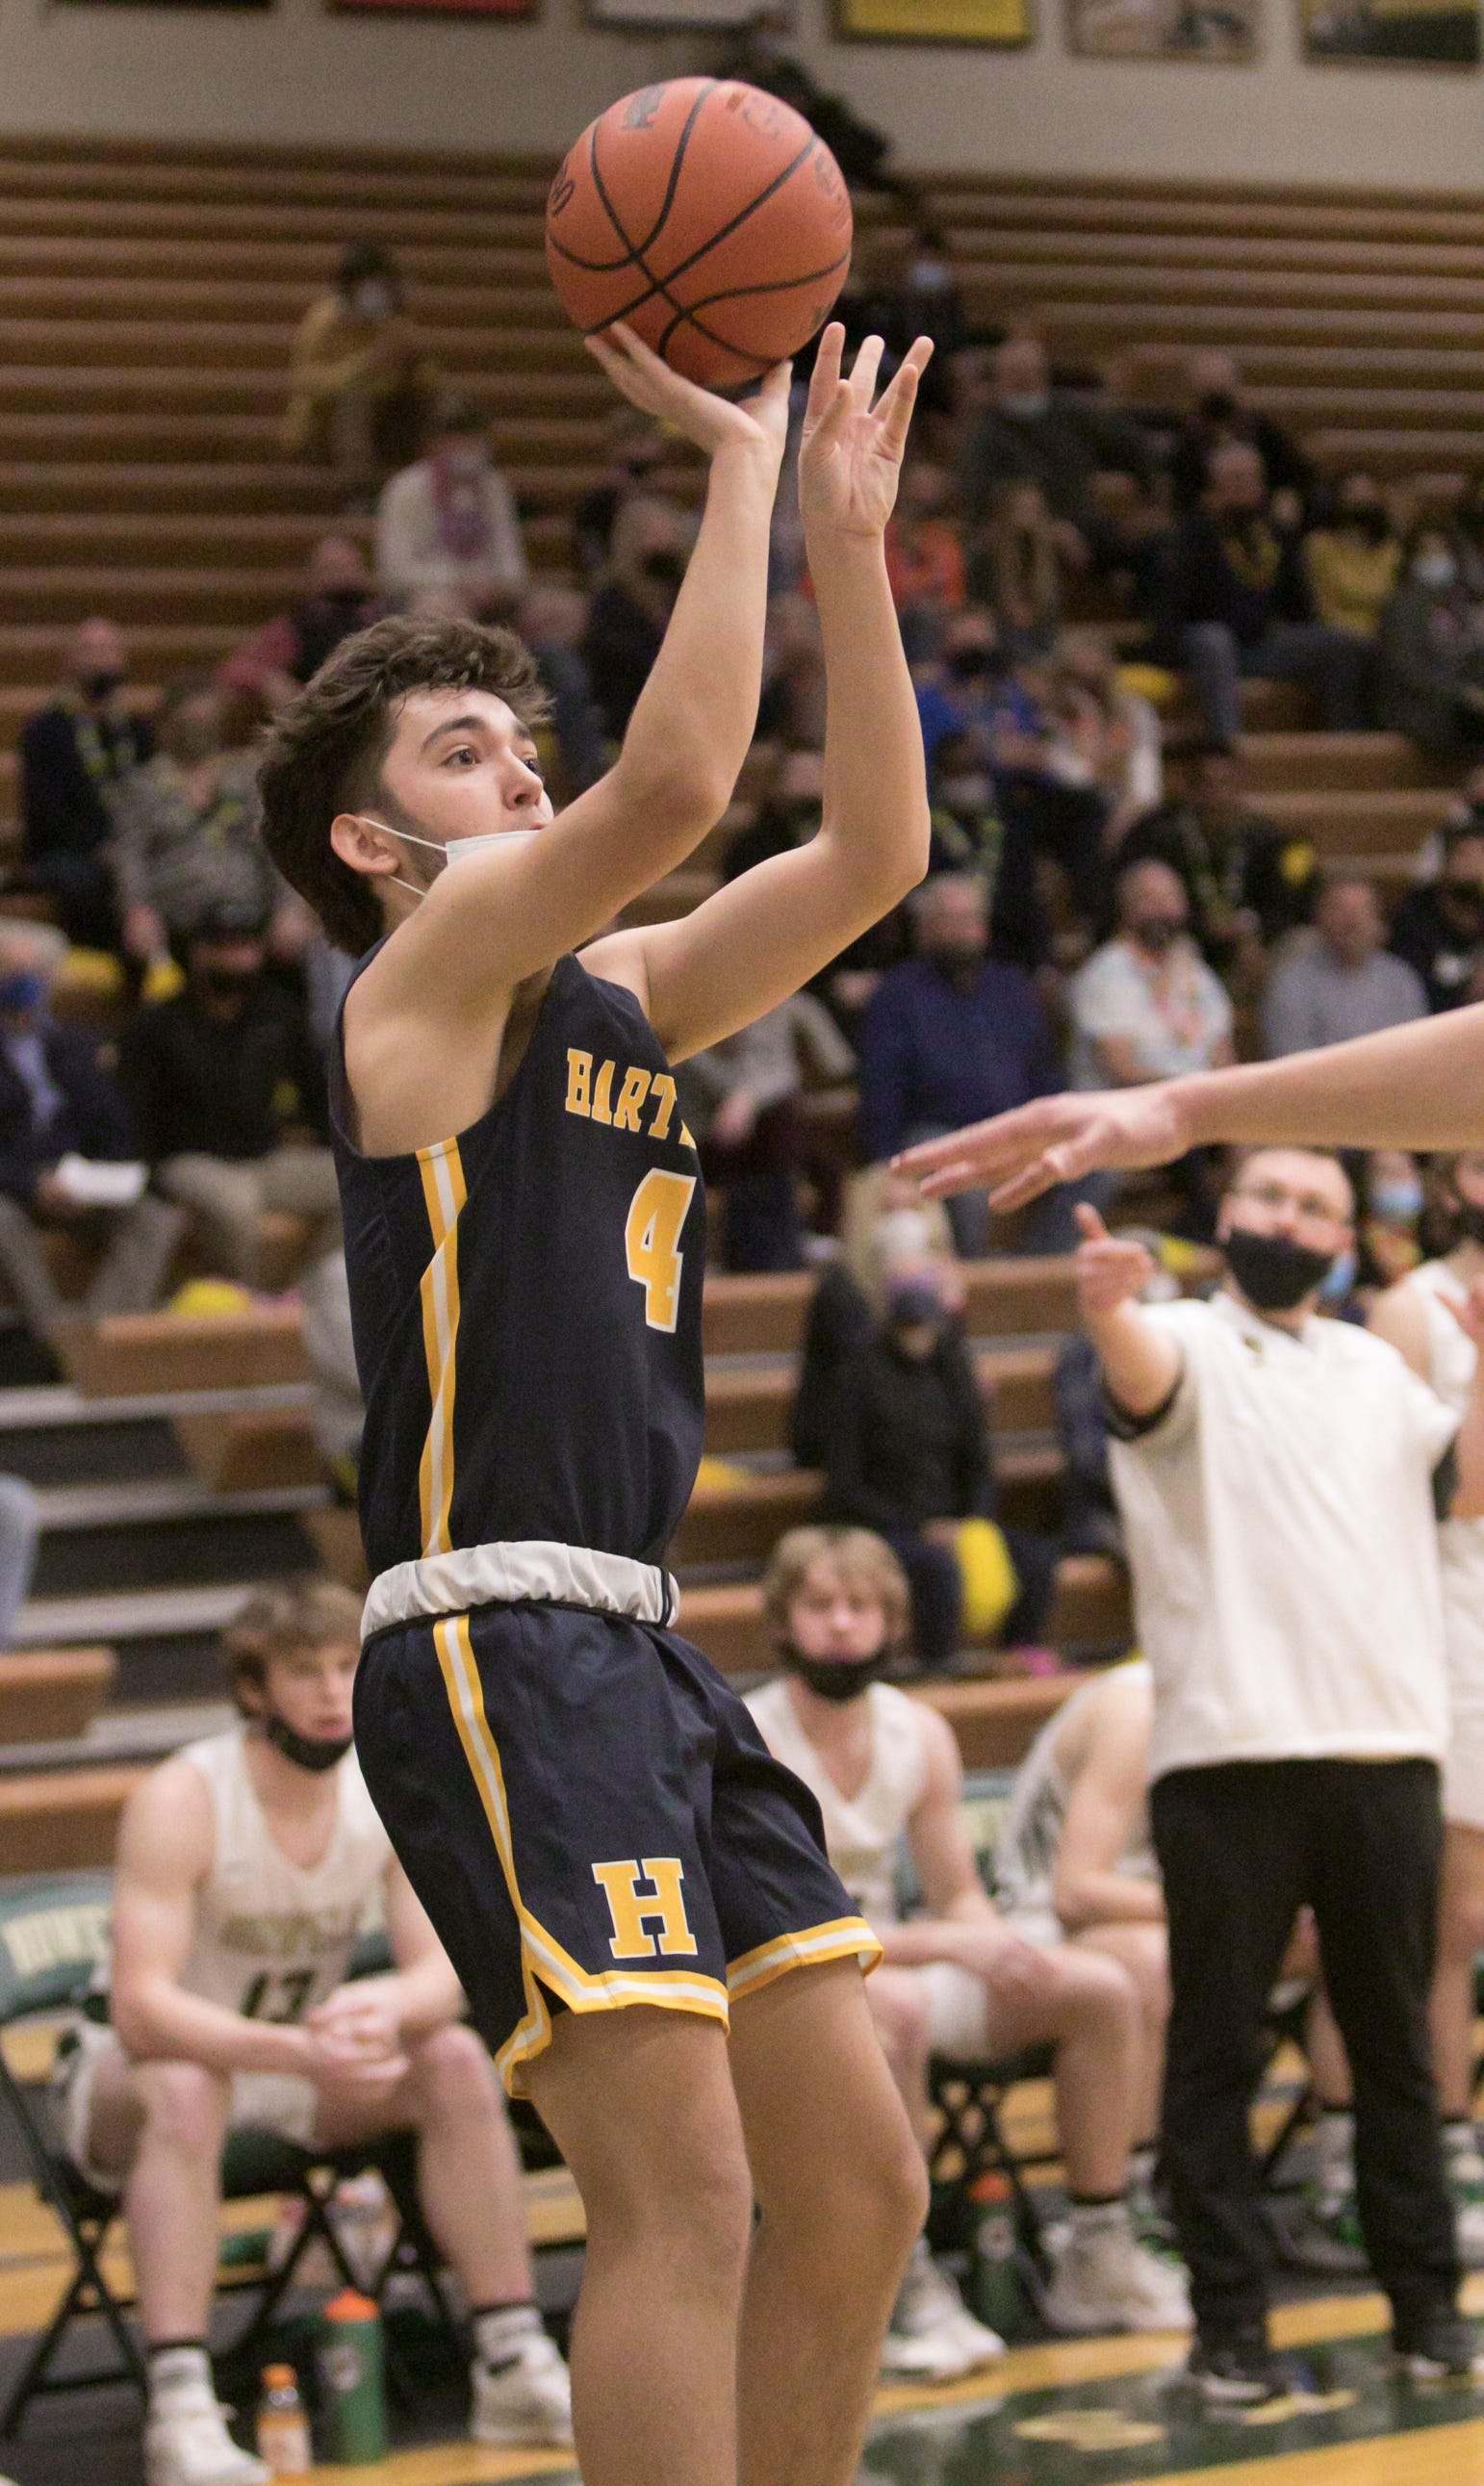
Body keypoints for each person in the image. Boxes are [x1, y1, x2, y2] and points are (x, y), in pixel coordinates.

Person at [258, 319, 938, 2486]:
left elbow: (873, 858)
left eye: (519, 740)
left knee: (860, 2182)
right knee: (687, 2197)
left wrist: (847, 550)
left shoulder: (620, 988)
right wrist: (741, 463)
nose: (524, 773)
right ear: (374, 843)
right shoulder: (419, 984)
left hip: (636, 1637)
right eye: (466, 753)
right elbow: (675, 789)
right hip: (489, 1629)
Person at [1065, 1159, 1484, 2396]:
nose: (1287, 1222)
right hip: (1229, 1754)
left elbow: (1466, 1492)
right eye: (1267, 1198)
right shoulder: (1182, 1336)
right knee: (1217, 2052)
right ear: (1226, 1215)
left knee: (1396, 2052)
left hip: (1386, 1750)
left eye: (1315, 1207)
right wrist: (1105, 1306)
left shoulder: (1377, 1368)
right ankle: (1231, 2327)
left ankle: (1428, 2311)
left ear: (1349, 1240)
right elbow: (1139, 1377)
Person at [54, 1580, 571, 2486]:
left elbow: (440, 1973)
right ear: (253, 1688)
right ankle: (180, 2406)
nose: (335, 1692)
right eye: (306, 1671)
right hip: (132, 2076)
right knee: (188, 2084)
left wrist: (385, 2008)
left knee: (452, 2057)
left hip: (294, 2059)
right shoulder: (184, 1795)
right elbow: (141, 2009)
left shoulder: (384, 1785)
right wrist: (297, 2049)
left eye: (346, 1667)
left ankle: (510, 2357)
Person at [747, 1527, 1190, 2354]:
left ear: (894, 1620)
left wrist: (997, 1943)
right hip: (792, 1977)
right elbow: (776, 1926)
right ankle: (897, 2273)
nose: (841, 1623)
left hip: (897, 1958)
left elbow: (956, 1894)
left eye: (861, 1605)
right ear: (781, 1620)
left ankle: (1096, 2247)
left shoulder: (919, 1730)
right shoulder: (750, 1736)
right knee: (898, 2008)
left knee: (1099, 1988)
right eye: (820, 1604)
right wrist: (951, 1942)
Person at [1370, 1147, 1484, 2268]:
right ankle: (1447, 2149)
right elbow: (1451, 1496)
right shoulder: (1412, 1310)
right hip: (1456, 1631)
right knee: (1454, 1921)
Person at [820, 1272, 1052, 1669]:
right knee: (936, 1569)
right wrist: (918, 1525)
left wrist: (972, 1519)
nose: (918, 1339)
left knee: (1036, 1558)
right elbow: (844, 1484)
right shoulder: (860, 1376)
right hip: (886, 1524)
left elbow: (979, 1464)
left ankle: (1017, 1656)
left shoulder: (953, 1373)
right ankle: (938, 1669)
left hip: (955, 1522)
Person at [117, 905, 341, 1288]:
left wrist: (328, 1138)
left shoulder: (278, 1015)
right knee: (236, 1207)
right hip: (191, 1160)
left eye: (243, 947)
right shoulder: (157, 1024)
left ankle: (306, 1295)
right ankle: (243, 1307)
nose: (234, 959)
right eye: (222, 947)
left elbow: (318, 1092)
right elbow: (135, 1112)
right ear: (198, 952)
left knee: (353, 1182)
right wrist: (150, 1176)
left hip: (263, 1159)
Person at [857, 874, 1074, 1256]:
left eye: (970, 919)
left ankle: (1041, 1264)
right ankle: (972, 1274)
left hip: (1017, 1127)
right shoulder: (897, 995)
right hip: (941, 1131)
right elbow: (881, 1086)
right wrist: (887, 1161)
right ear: (924, 928)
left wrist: (1061, 1123)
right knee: (966, 1182)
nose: (962, 931)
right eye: (950, 920)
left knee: (1093, 1166)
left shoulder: (1011, 987)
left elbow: (1043, 1067)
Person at [0, 921, 184, 1342]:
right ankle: (54, 1333)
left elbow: (114, 1126)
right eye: (11, 972)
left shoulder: (79, 1047)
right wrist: (32, 1183)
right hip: (15, 1184)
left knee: (156, 1218)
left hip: (79, 1179)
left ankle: (100, 1332)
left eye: (33, 972)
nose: (24, 982)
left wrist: (94, 1178)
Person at [1158, 442, 1369, 747]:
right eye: (1236, 480)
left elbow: (1299, 605)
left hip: (1258, 646)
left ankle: (1349, 746)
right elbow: (1171, 610)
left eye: (1252, 479)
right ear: (1214, 487)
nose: (1246, 488)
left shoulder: (1274, 535)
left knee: (1344, 646)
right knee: (1214, 640)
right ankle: (1227, 747)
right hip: (1201, 646)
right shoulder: (1191, 535)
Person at [1068, 860, 1234, 1235]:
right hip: (1120, 1112)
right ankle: (1208, 1231)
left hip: (1197, 1112)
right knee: (1187, 1137)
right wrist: (1189, 1095)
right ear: (1126, 909)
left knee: (1256, 1124)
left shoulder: (1197, 975)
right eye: (1148, 900)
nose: (1162, 910)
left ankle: (1225, 1231)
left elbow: (1224, 1059)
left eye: (1170, 899)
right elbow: (1120, 1067)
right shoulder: (1106, 974)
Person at [790, 1162, 961, 1470]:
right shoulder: (840, 1289)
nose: (903, 1224)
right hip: (851, 1446)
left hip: (922, 1447)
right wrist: (900, 1299)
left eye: (912, 1209)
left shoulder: (941, 1289)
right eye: (889, 1211)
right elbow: (861, 1382)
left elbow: (952, 1389)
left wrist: (945, 1310)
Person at [107, 680, 289, 968]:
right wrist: (136, 910)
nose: (196, 732)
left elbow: (276, 845)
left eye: (204, 722)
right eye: (188, 723)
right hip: (178, 917)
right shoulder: (142, 786)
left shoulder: (248, 776)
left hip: (251, 908)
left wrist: (290, 907)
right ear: (166, 725)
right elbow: (129, 856)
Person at [680, 991, 853, 1271]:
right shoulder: (683, 1038)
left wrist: (747, 1099)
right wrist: (732, 1111)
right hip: (706, 1143)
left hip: (767, 1151)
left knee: (786, 1129)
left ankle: (803, 1245)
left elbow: (786, 1075)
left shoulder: (769, 1011)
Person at [1115, 739, 1318, 967]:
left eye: (1225, 782)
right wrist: (1202, 925)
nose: (1216, 794)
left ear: (1240, 784)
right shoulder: (1155, 834)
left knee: (1302, 943)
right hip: (1182, 938)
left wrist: (1252, 928)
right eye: (1204, 783)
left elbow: (1292, 903)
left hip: (1255, 944)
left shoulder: (1268, 838)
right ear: (1188, 786)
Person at [958, 335, 1156, 560]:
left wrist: (1146, 501)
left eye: (1031, 373)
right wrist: (1047, 527)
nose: (1025, 381)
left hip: (1081, 520)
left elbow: (1130, 444)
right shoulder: (985, 432)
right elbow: (979, 495)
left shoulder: (1073, 415)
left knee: (1151, 547)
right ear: (999, 379)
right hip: (1019, 529)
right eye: (1016, 374)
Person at [19, 618, 152, 954]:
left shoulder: (138, 731)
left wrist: (129, 848)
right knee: (87, 881)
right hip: (72, 852)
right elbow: (44, 816)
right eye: (90, 650)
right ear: (70, 661)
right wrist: (100, 848)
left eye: (108, 650)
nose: (100, 659)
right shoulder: (45, 731)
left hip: (132, 846)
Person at [282, 242, 437, 508]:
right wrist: (368, 363)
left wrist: (415, 363)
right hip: (327, 422)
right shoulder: (325, 322)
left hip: (385, 415)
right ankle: (358, 492)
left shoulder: (395, 323)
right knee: (354, 401)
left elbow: (428, 381)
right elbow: (308, 383)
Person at [375, 395, 528, 617]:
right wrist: (456, 580)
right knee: (442, 610)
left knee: (558, 611)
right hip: (429, 593)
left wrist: (502, 584)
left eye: (472, 438)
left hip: (491, 594)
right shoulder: (405, 488)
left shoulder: (494, 486)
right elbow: (394, 572)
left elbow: (511, 560)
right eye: (456, 438)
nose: (465, 447)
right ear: (434, 443)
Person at [1263, 874, 1428, 1058]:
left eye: (1362, 911)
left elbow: (1417, 1052)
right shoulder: (1292, 983)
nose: (1352, 922)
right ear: (1320, 917)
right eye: (1340, 909)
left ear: (1379, 921)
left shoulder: (1401, 980)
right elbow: (1292, 1061)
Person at [219, 538, 381, 724]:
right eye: (331, 569)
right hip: (318, 721)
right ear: (312, 578)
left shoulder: (383, 620)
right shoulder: (295, 627)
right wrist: (269, 680)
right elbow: (238, 668)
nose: (342, 577)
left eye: (350, 567)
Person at [581, 493, 692, 744]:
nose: (663, 544)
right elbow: (622, 666)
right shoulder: (611, 603)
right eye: (653, 534)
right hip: (630, 712)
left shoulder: (687, 595)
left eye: (669, 533)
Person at [1378, 523, 1484, 759]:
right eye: (1426, 552)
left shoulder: (1464, 603)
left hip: (1463, 701)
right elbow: (1409, 670)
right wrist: (1464, 694)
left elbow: (1473, 658)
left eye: (1441, 551)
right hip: (1420, 704)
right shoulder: (1401, 606)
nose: (1436, 559)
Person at [1167, 350, 1314, 521]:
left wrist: (1288, 495)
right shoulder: (1184, 436)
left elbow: (1298, 474)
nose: (1216, 389)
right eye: (1208, 384)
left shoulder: (1262, 429)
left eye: (1222, 381)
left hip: (1264, 513)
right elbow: (1181, 491)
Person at [1390, 824, 1484, 1013]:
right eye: (1465, 855)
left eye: (1481, 856)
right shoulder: (1415, 918)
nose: (1474, 867)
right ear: (1444, 864)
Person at [1301, 472, 1403, 639]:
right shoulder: (1319, 545)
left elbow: (1391, 598)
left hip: (1382, 639)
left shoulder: (1390, 549)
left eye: (1366, 492)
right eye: (1353, 492)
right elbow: (1320, 605)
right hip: (1334, 638)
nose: (1361, 499)